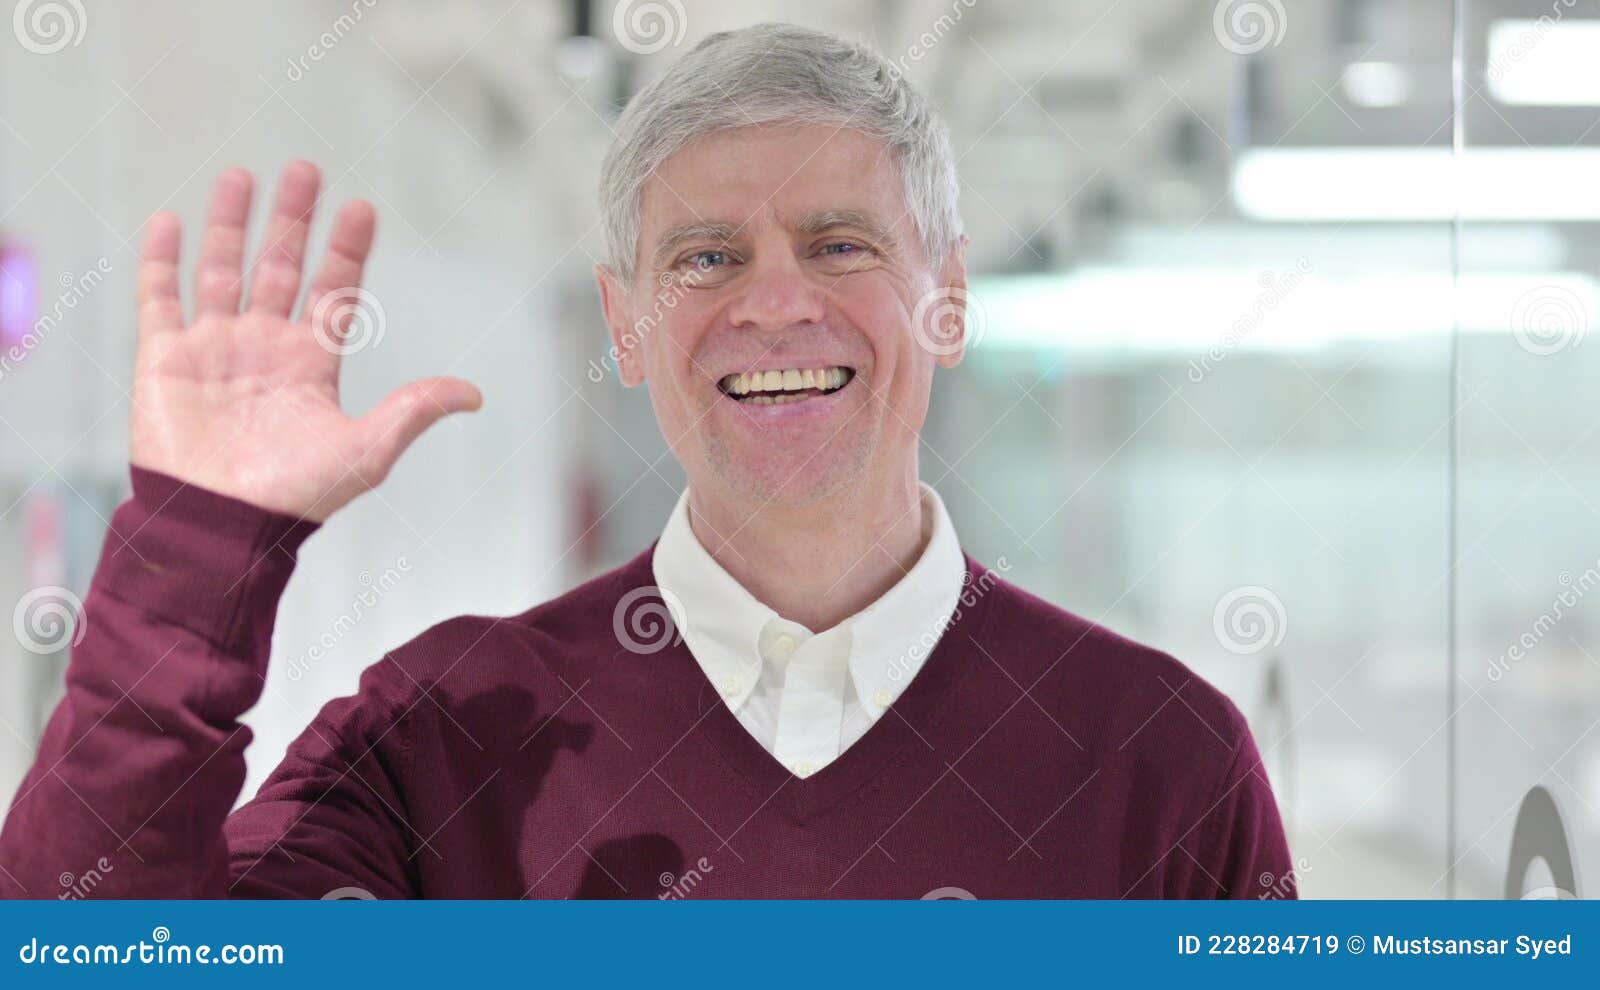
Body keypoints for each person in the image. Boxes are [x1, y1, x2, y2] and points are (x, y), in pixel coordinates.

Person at [0, 23, 1291, 899]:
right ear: (625, 324)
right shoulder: (441, 733)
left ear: (945, 300)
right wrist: (199, 546)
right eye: (706, 257)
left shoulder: (1162, 755)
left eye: (840, 243)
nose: (776, 303)